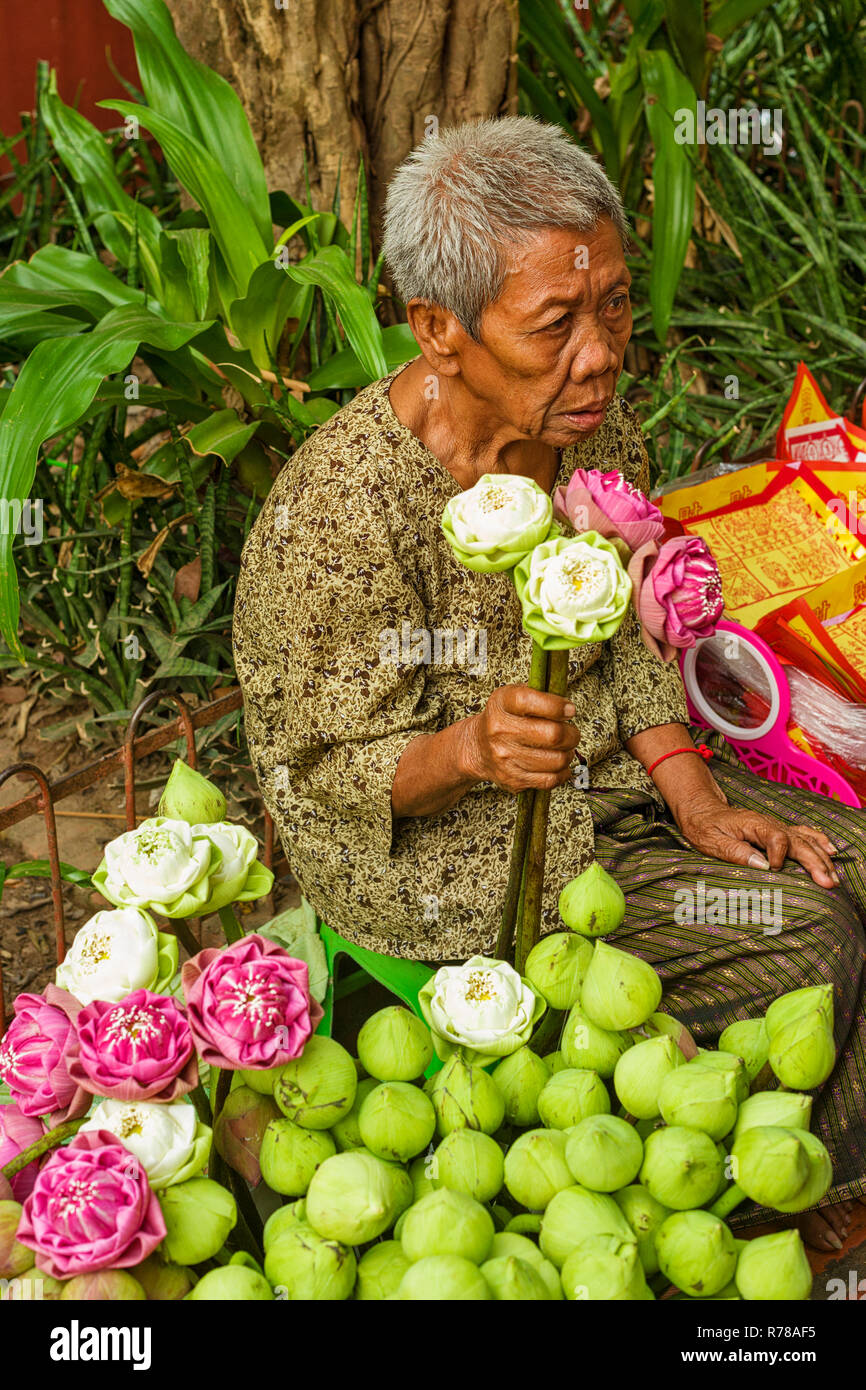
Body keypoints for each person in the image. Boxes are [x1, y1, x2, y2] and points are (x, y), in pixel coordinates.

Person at [234, 117, 866, 1251]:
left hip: (606, 785)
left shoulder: (576, 418)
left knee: (859, 865)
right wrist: (466, 749)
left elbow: (618, 640)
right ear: (439, 330)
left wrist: (696, 796)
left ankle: (817, 1179)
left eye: (614, 303)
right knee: (809, 940)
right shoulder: (335, 514)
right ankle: (760, 1216)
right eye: (556, 323)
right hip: (454, 870)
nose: (600, 352)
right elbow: (312, 770)